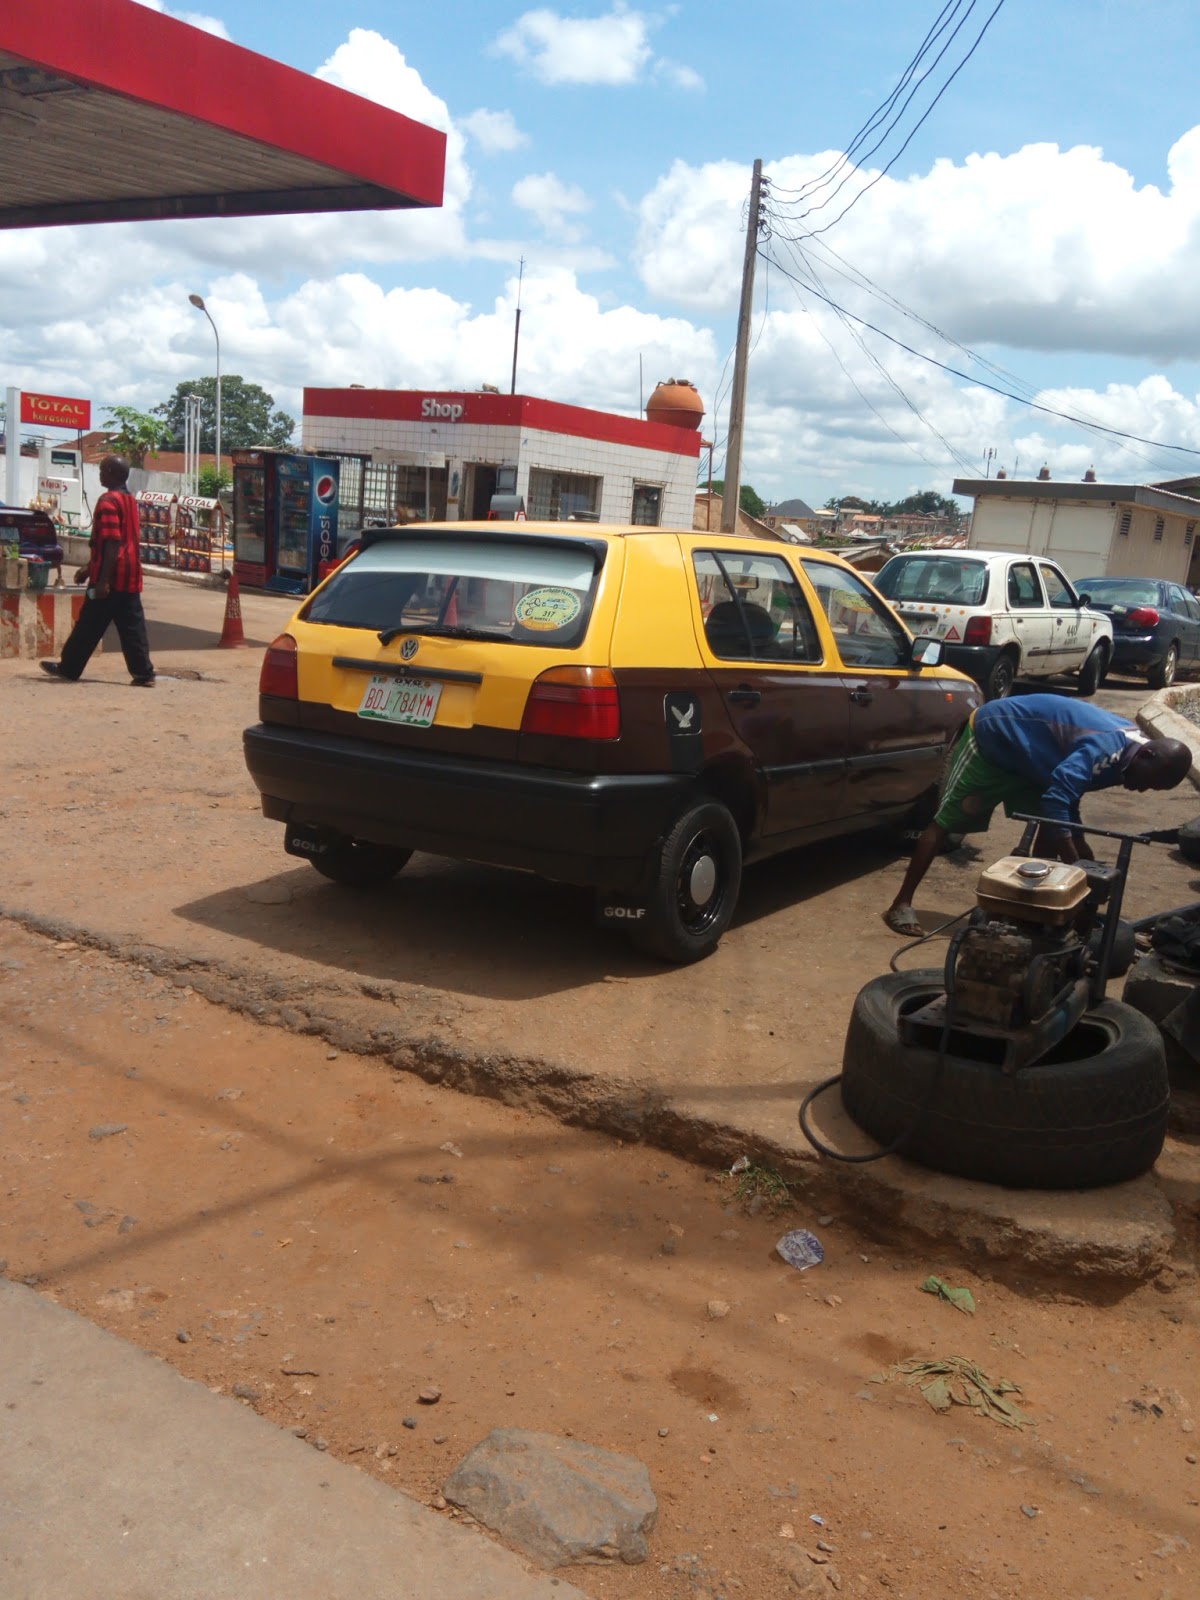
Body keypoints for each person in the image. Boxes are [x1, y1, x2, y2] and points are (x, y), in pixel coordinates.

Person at [884, 693, 1192, 935]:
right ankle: (901, 903)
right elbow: (1060, 797)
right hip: (995, 740)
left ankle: (1023, 911)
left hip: (1038, 760)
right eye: (1149, 782)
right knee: (946, 823)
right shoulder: (1106, 749)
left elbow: (1067, 799)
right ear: (1148, 754)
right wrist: (1079, 867)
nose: (1143, 790)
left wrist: (1083, 853)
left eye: (1153, 790)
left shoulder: (1129, 762)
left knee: (1051, 830)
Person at [40, 455, 155, 686]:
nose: (100, 474)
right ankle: (144, 673)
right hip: (130, 575)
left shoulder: (107, 502)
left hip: (110, 578)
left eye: (103, 470)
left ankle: (69, 667)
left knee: (89, 624)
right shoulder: (129, 501)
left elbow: (111, 543)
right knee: (132, 627)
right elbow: (120, 542)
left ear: (112, 472)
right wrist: (88, 568)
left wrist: (102, 579)